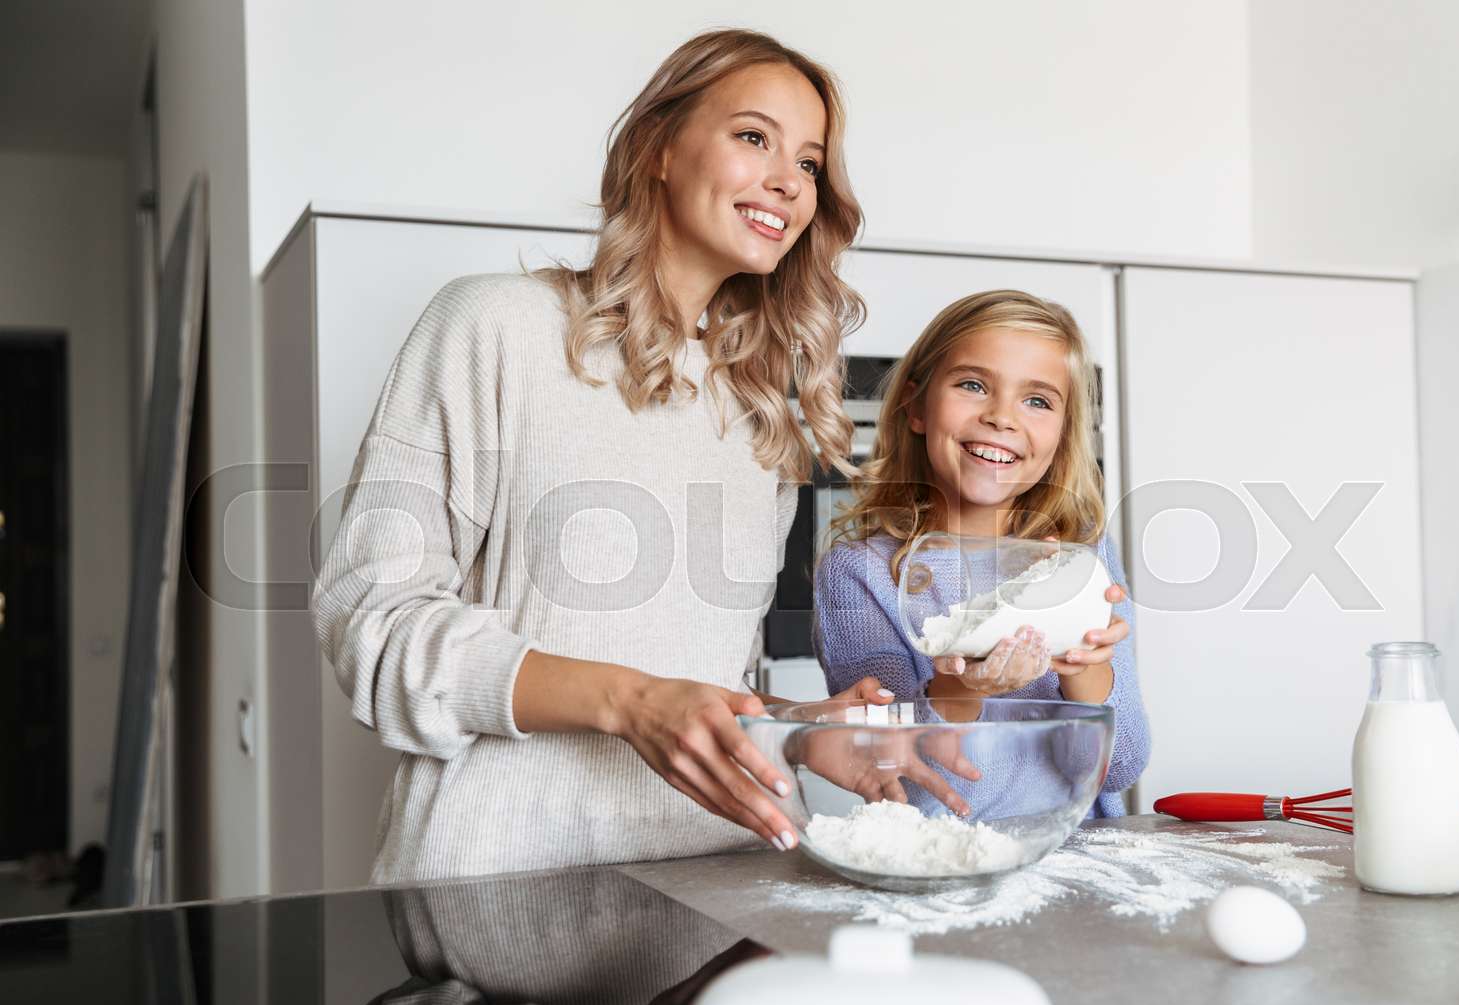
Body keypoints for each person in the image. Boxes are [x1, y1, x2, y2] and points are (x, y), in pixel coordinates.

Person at [314, 29, 889, 884]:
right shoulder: (492, 328)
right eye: (753, 137)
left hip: (725, 881)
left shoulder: (760, 408)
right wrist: (628, 703)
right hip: (500, 895)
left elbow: (700, 685)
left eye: (808, 163)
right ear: (658, 147)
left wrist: (798, 725)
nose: (787, 182)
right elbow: (371, 623)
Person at [812, 290, 1151, 817]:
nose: (1001, 417)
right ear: (916, 406)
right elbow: (891, 770)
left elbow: (1123, 766)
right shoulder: (861, 573)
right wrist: (957, 686)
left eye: (1037, 401)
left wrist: (1083, 669)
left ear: (1061, 436)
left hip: (1075, 863)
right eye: (973, 385)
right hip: (937, 865)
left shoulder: (1083, 559)